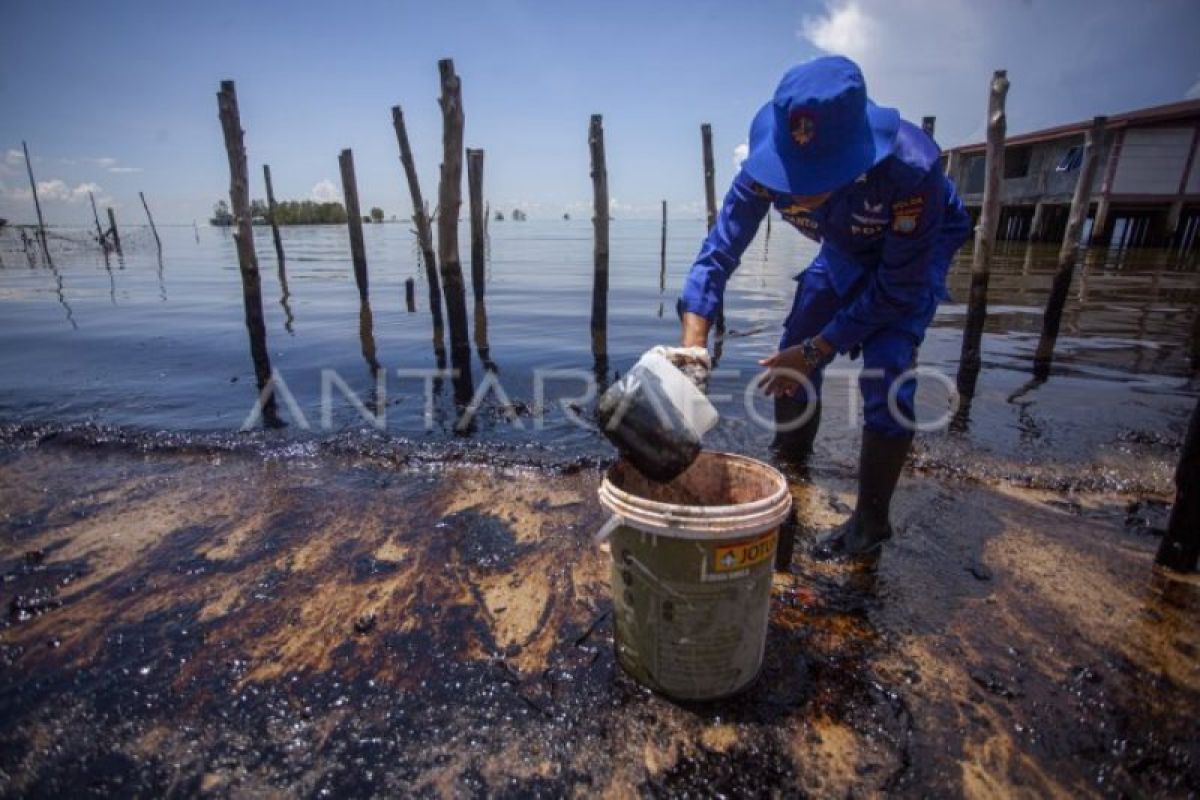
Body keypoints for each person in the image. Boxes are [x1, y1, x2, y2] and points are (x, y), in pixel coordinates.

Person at [673, 56, 972, 560]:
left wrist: (819, 350)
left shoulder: (910, 175)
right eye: (795, 174)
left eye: (819, 176)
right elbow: (716, 255)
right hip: (843, 247)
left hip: (914, 249)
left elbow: (896, 290)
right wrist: (691, 353)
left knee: (889, 365)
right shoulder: (766, 171)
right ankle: (792, 468)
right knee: (794, 342)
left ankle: (872, 521)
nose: (801, 191)